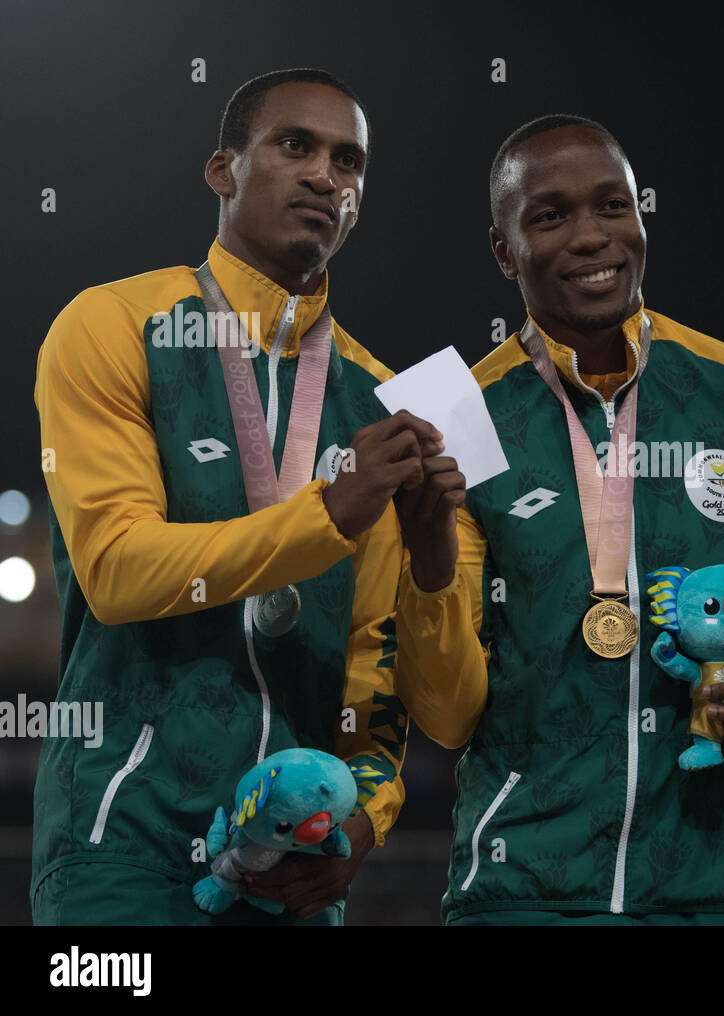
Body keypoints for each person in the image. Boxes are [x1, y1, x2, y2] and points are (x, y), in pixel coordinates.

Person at [31, 68, 432, 924]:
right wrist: (326, 513)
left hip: (294, 865)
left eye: (350, 162)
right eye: (296, 146)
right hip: (118, 843)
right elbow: (115, 569)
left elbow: (375, 662)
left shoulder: (386, 401)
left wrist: (361, 828)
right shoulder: (111, 324)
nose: (327, 177)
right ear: (223, 170)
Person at [393, 115, 724, 925]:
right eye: (550, 216)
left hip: (711, 889)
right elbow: (446, 716)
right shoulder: (458, 414)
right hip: (515, 894)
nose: (592, 237)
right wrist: (430, 555)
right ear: (504, 249)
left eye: (613, 206)